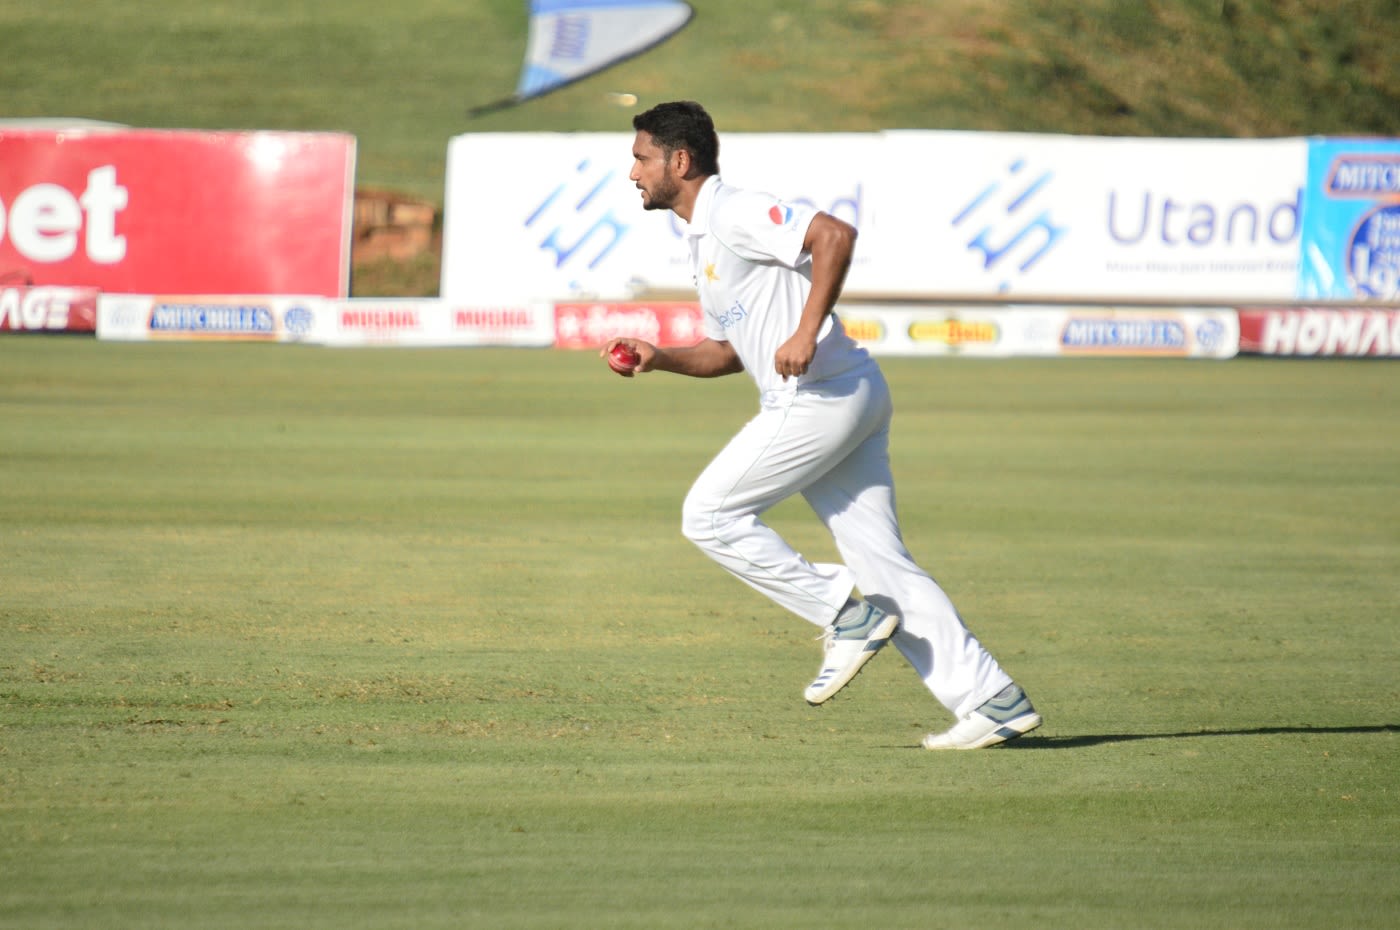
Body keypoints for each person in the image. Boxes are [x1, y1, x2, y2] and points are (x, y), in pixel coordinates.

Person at [602, 100, 1041, 750]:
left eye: (641, 158)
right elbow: (728, 352)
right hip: (845, 395)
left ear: (680, 160)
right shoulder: (703, 240)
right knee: (884, 565)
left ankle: (842, 614)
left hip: (818, 398)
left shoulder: (733, 210)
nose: (632, 172)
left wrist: (806, 331)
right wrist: (659, 358)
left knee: (709, 515)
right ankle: (990, 699)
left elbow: (834, 235)